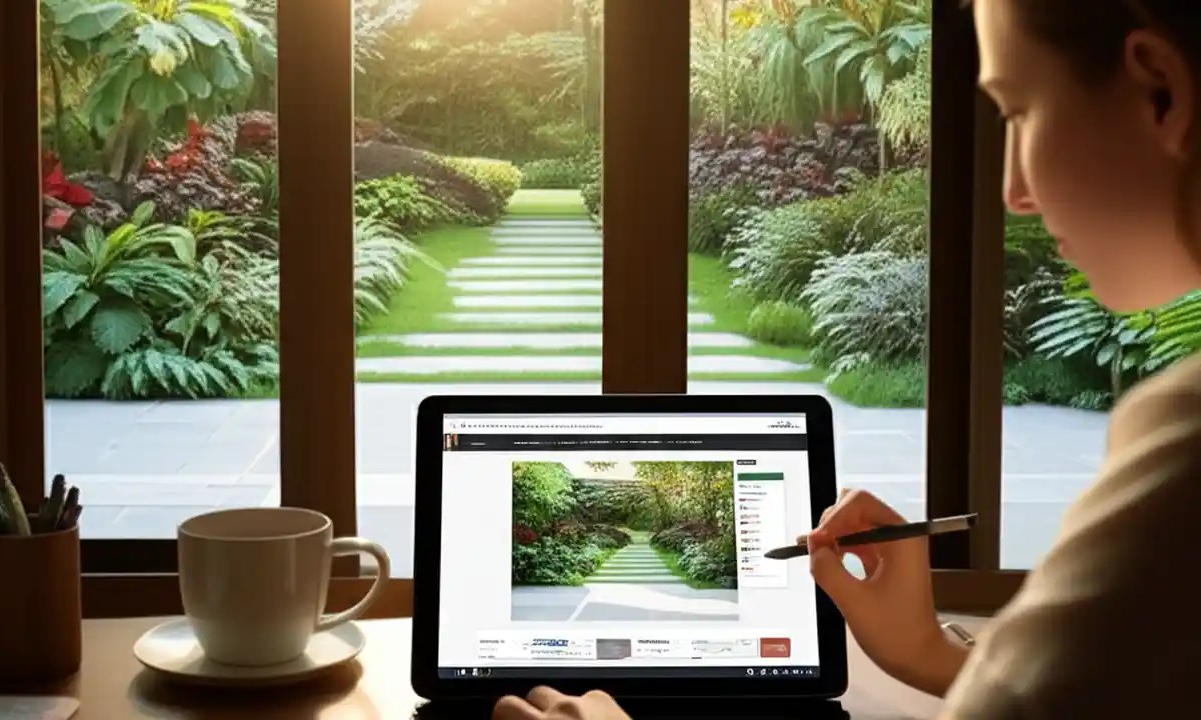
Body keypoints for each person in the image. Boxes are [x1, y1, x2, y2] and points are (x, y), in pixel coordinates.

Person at [491, 0, 1201, 717]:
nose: (1012, 190)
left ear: (1160, 89)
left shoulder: (1187, 449)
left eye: (1018, 112)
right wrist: (925, 651)